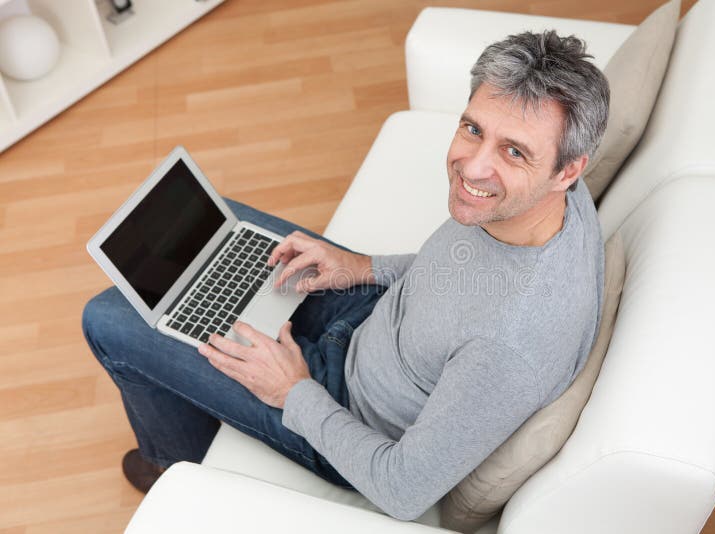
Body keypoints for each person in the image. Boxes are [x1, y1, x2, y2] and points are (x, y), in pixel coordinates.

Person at [82, 30, 608, 521]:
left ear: (568, 170)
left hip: (340, 409)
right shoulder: (553, 202)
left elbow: (403, 490)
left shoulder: (510, 345)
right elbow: (459, 277)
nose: (472, 168)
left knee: (106, 318)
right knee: (215, 232)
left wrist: (293, 392)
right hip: (376, 311)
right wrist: (361, 268)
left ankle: (171, 467)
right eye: (473, 129)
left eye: (512, 152)